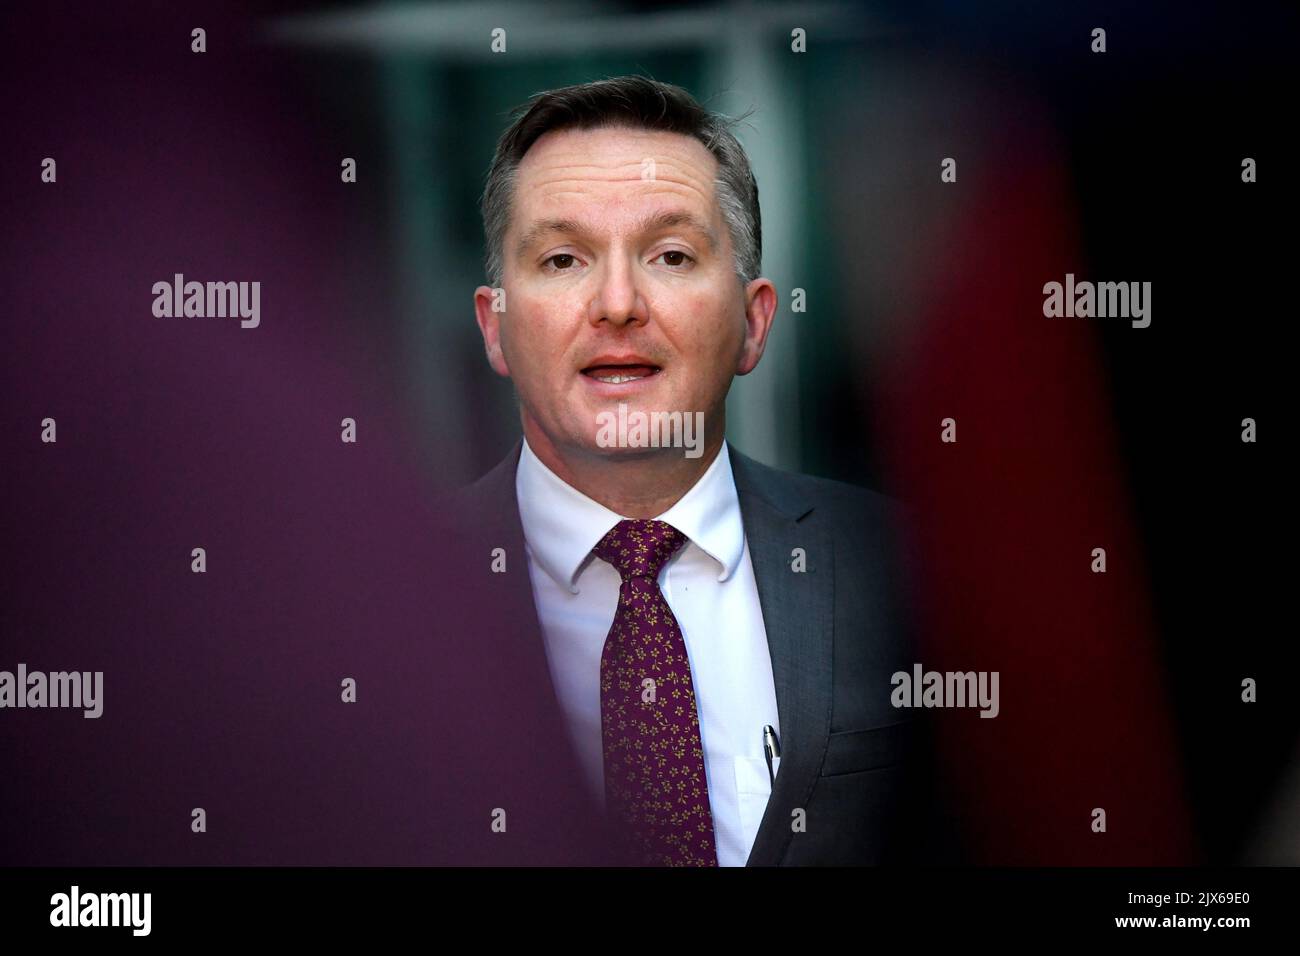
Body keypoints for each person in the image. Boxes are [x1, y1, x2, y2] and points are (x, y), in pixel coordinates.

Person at [448, 75, 945, 867]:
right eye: (564, 257)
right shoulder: (380, 592)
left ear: (753, 325)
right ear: (495, 327)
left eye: (671, 255)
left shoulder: (908, 569)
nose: (616, 303)